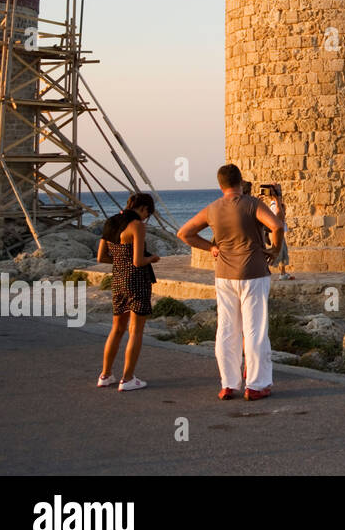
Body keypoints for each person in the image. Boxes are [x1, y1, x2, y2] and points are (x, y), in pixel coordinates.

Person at [178, 164, 285, 401]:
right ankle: (256, 385)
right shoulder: (252, 204)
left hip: (224, 274)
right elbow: (276, 226)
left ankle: (228, 384)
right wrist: (274, 250)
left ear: (220, 185)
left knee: (227, 329)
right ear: (240, 182)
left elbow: (184, 233)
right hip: (253, 273)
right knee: (255, 329)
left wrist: (211, 248)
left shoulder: (212, 209)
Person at [97, 193, 160, 392]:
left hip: (118, 281)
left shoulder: (110, 223)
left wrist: (121, 262)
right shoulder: (137, 226)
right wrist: (152, 259)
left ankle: (105, 375)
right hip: (138, 281)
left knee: (116, 329)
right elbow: (138, 261)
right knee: (136, 331)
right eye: (147, 214)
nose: (145, 218)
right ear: (143, 209)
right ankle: (128, 378)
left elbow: (102, 257)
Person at [258, 183, 292, 280]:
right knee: (279, 253)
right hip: (277, 233)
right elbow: (277, 220)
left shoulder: (275, 205)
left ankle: (283, 272)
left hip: (278, 232)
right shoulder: (274, 206)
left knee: (282, 252)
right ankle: (278, 272)